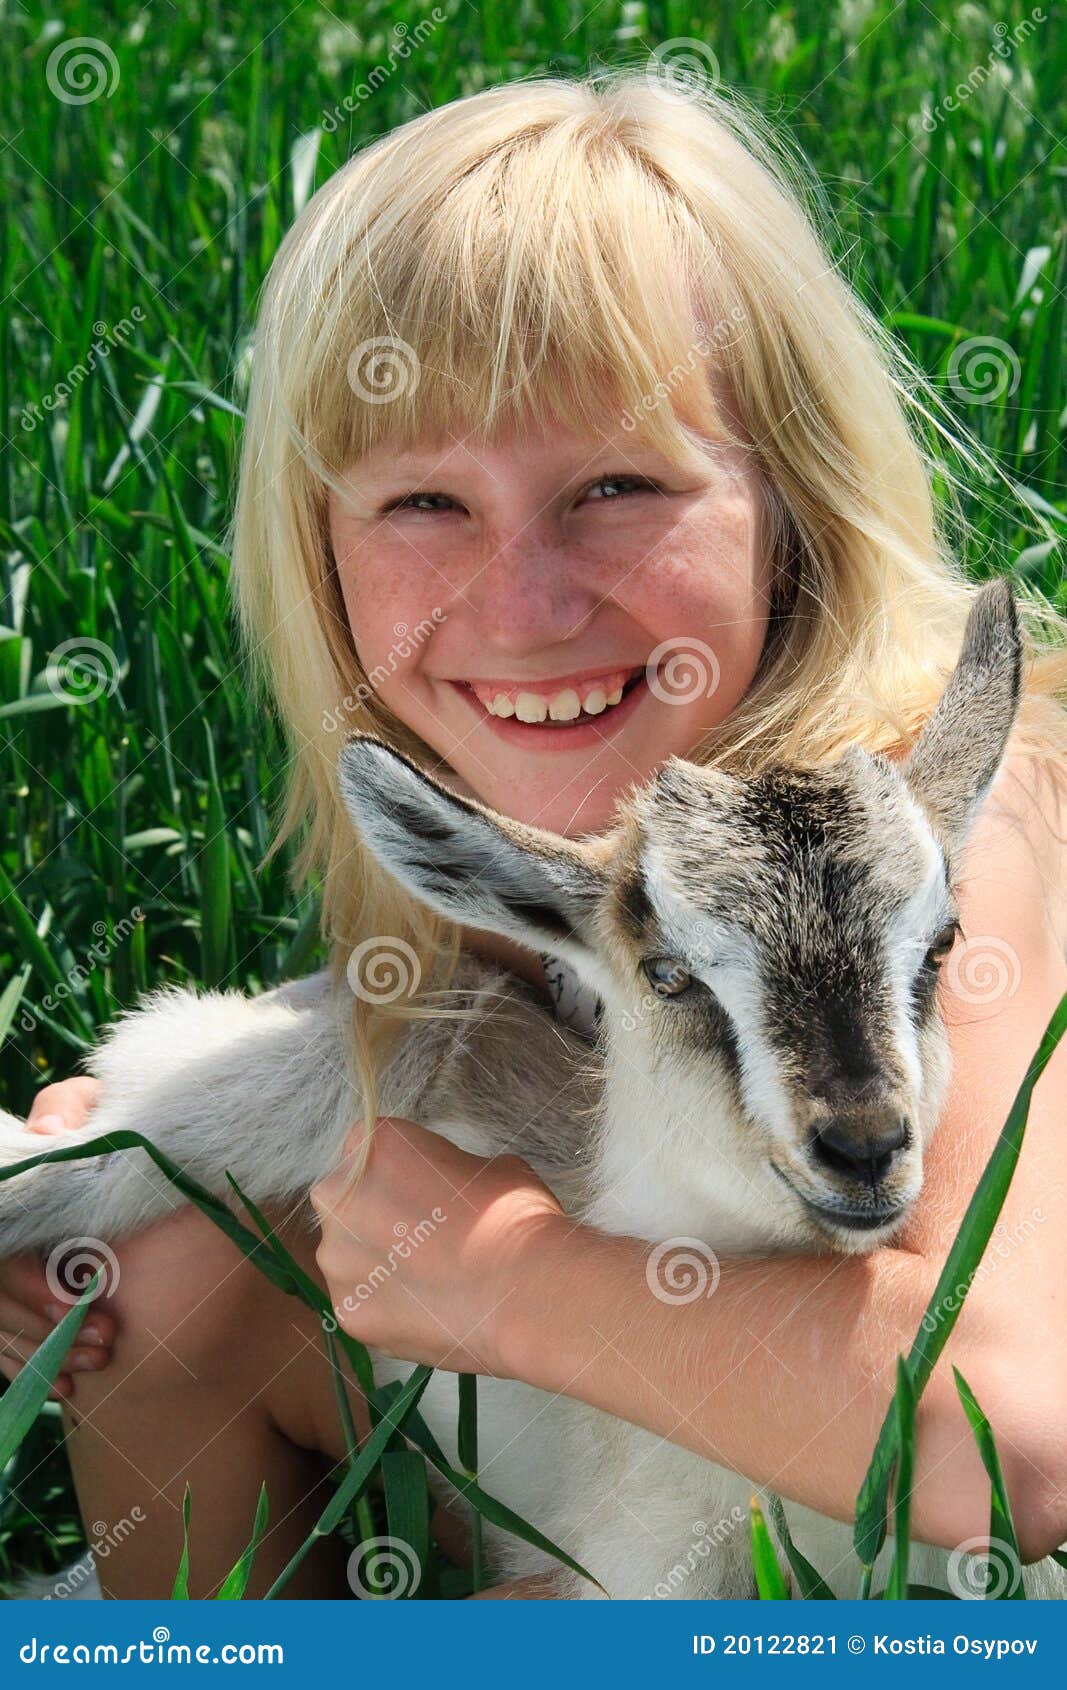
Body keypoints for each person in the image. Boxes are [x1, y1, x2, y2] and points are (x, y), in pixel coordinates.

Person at [2, 71, 1065, 1600]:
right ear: (317, 551)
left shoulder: (939, 824)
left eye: (617, 485)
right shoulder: (506, 820)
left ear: (794, 502)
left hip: (883, 1558)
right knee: (169, 1271)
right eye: (426, 503)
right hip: (608, 1496)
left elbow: (1008, 1444)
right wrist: (100, 1160)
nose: (523, 606)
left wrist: (511, 1275)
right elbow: (396, 1054)